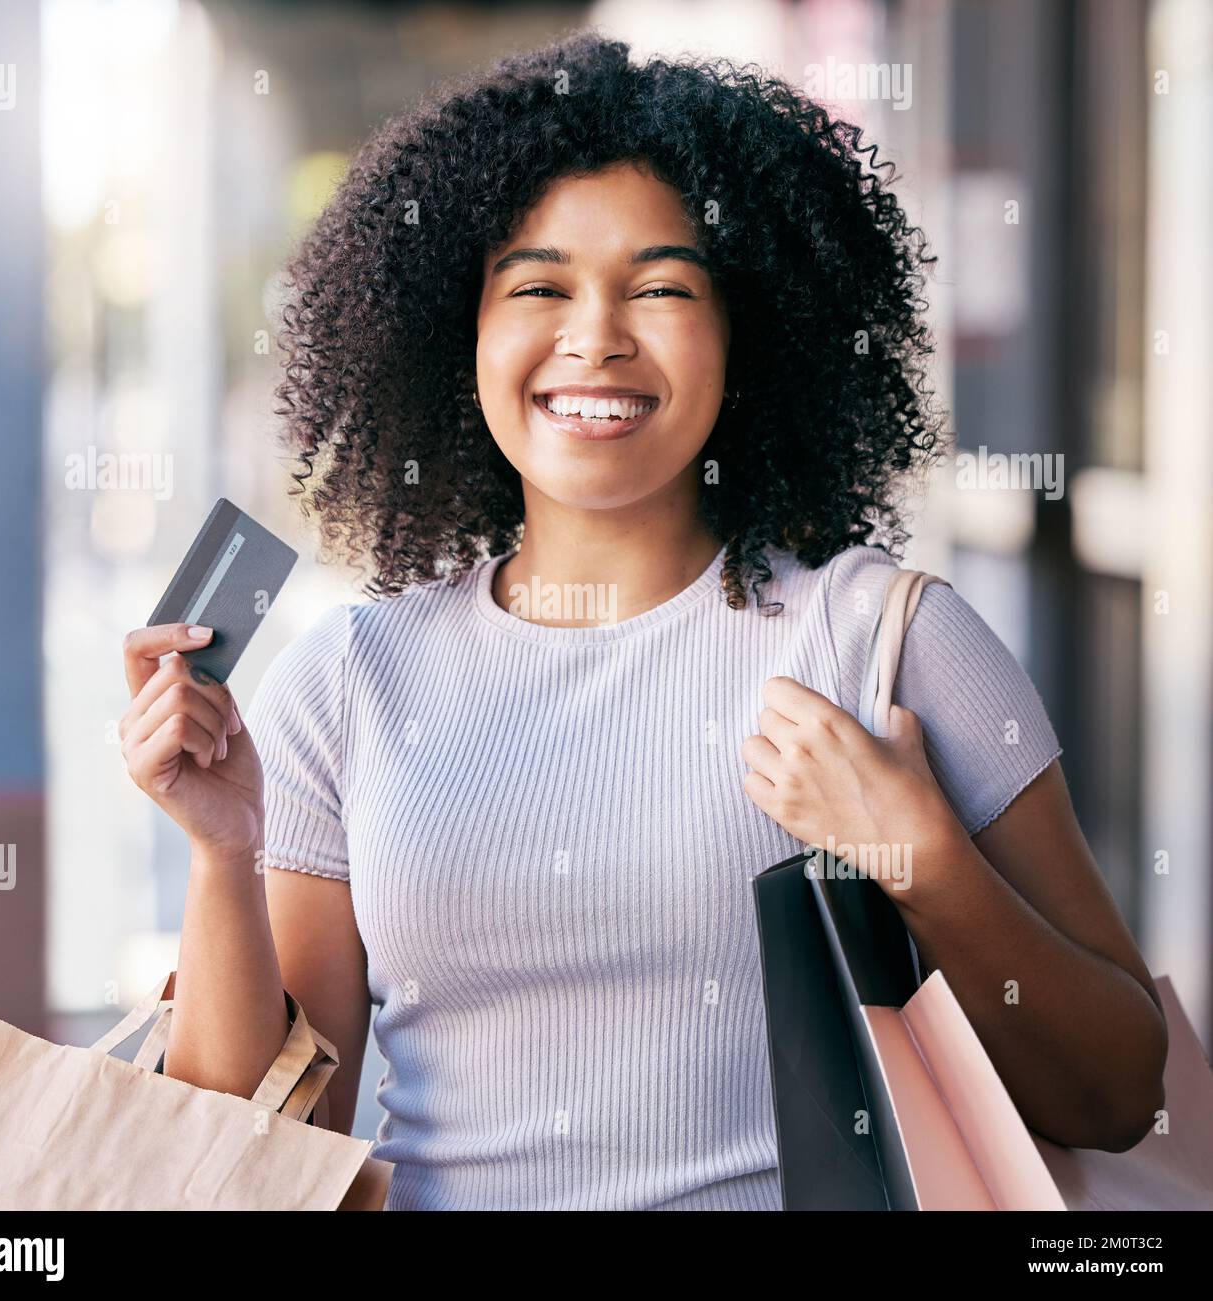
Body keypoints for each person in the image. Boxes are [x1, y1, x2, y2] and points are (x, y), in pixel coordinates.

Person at [119, 29, 1166, 1211]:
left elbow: (1124, 1090)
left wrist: (923, 862)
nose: (596, 335)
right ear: (458, 335)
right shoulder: (351, 681)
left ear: (746, 332)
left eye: (662, 286)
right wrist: (222, 851)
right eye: (539, 285)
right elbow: (249, 1163)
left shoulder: (888, 644)